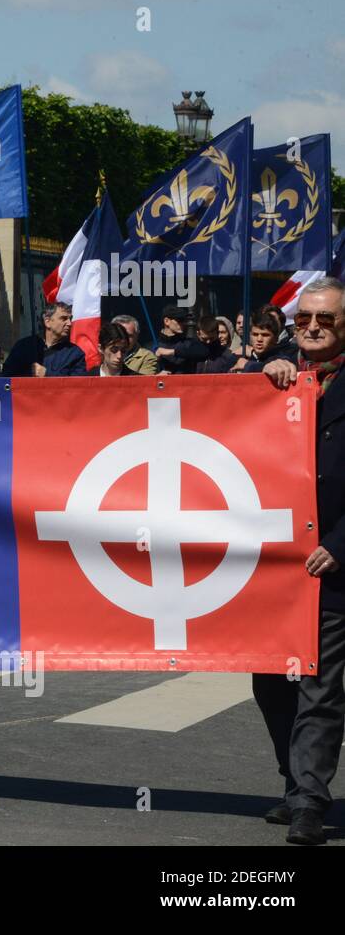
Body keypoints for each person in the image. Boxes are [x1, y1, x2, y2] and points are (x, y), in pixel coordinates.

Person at [256, 277, 345, 845]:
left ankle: (310, 801)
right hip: (273, 566)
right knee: (270, 682)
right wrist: (262, 382)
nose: (312, 328)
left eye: (327, 320)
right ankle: (296, 784)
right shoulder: (277, 380)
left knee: (318, 684)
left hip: (332, 565)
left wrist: (340, 545)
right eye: (304, 320)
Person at [1, 301, 85, 377]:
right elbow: (5, 378)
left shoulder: (75, 354)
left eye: (70, 319)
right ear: (47, 322)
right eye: (63, 319)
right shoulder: (23, 347)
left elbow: (78, 387)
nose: (69, 323)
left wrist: (47, 375)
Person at [154, 304, 207, 374]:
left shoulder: (189, 343)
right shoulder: (152, 345)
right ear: (166, 321)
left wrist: (173, 352)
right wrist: (156, 375)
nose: (183, 323)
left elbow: (205, 352)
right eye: (179, 320)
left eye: (184, 320)